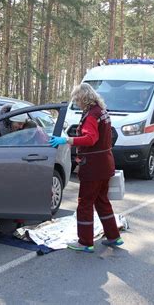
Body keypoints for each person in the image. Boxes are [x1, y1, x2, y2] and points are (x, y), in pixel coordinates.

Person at [49, 83, 123, 253]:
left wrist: (67, 140)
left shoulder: (91, 115)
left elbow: (90, 139)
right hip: (105, 163)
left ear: (83, 98)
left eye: (77, 100)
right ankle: (114, 236)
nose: (76, 103)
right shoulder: (102, 112)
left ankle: (85, 242)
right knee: (102, 201)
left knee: (85, 203)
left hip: (93, 166)